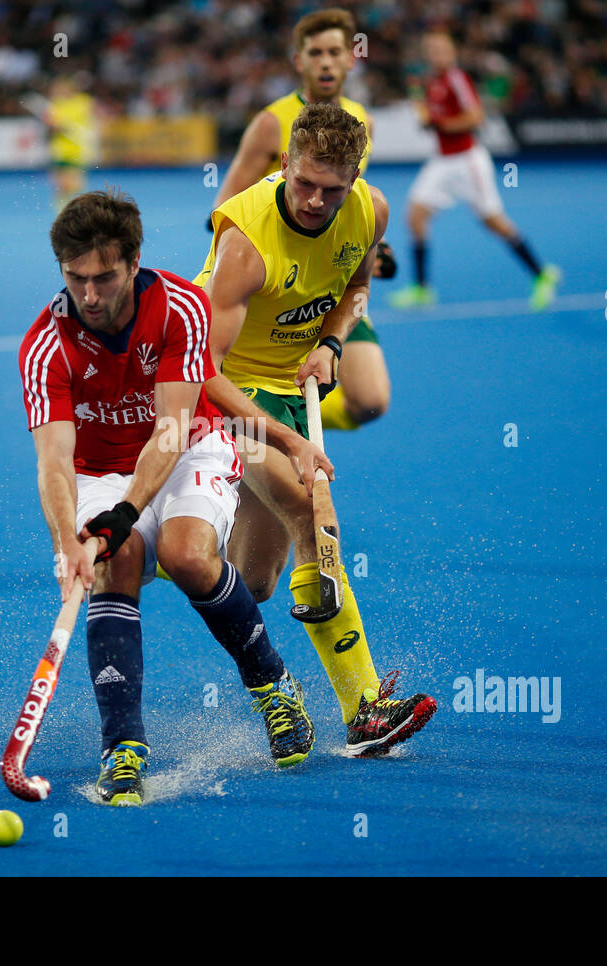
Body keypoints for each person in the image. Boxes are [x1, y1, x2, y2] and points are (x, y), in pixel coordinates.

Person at [18, 189, 314, 806]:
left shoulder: (181, 307)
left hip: (189, 446)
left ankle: (274, 687)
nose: (90, 296)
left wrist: (124, 515)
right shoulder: (45, 345)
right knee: (111, 565)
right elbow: (53, 463)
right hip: (99, 467)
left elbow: (171, 431)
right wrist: (68, 542)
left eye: (104, 277)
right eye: (76, 279)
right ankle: (122, 747)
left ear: (134, 261)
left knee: (187, 555)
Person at [195, 102, 437, 758]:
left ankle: (169, 554)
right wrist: (288, 439)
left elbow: (356, 284)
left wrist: (333, 341)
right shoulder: (244, 242)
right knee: (310, 511)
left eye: (333, 189)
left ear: (356, 179)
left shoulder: (370, 210)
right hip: (221, 390)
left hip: (287, 384)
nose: (314, 200)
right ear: (283, 167)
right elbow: (202, 371)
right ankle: (363, 709)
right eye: (303, 183)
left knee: (257, 580)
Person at [211, 8, 392, 431]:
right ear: (300, 61)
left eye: (334, 52)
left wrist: (374, 249)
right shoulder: (271, 123)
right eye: (315, 53)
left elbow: (351, 203)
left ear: (351, 58)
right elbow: (225, 204)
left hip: (329, 283)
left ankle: (286, 411)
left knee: (369, 401)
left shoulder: (361, 120)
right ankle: (273, 414)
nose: (325, 62)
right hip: (272, 281)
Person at [391, 31, 561, 311]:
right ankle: (422, 289)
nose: (436, 54)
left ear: (452, 52)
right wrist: (427, 119)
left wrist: (438, 122)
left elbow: (475, 117)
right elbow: (432, 122)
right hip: (442, 161)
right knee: (415, 216)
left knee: (492, 221)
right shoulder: (431, 82)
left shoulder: (457, 79)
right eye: (431, 50)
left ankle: (542, 274)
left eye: (441, 49)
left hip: (468, 161)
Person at [42, 74, 97, 212]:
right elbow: (51, 127)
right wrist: (54, 126)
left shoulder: (84, 102)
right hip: (60, 149)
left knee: (74, 183)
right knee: (60, 184)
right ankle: (61, 211)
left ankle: (78, 210)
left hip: (77, 148)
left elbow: (91, 120)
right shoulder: (55, 105)